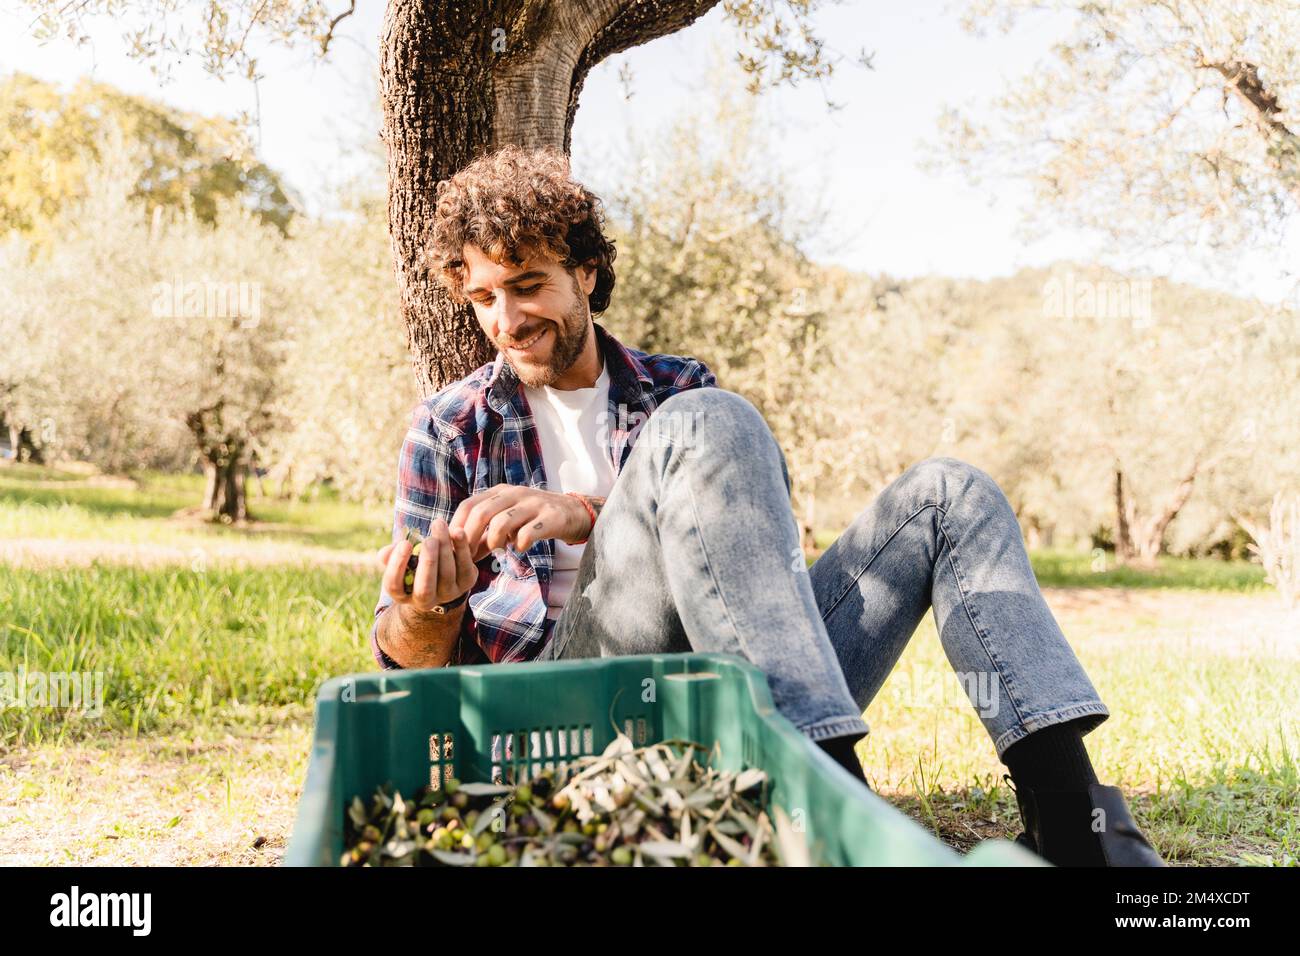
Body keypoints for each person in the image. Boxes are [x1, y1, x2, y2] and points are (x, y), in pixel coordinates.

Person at [369, 144, 1164, 867]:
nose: (505, 321)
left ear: (584, 273)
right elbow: (406, 662)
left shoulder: (677, 390)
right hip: (570, 719)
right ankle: (830, 807)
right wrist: (431, 605)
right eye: (483, 298)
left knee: (950, 493)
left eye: (527, 285)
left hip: (736, 691)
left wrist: (584, 509)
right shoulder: (451, 427)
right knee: (711, 423)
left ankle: (1077, 830)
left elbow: (753, 563)